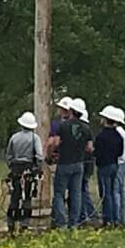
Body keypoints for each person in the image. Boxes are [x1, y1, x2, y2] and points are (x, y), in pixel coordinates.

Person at [5, 111, 44, 234]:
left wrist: (12, 168)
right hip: (29, 171)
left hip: (16, 170)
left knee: (15, 197)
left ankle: (11, 223)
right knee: (27, 197)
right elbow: (39, 155)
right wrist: (37, 168)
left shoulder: (14, 137)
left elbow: (9, 156)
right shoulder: (34, 138)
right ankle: (24, 225)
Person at [51, 98, 88, 228]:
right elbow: (89, 147)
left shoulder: (63, 126)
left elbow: (55, 143)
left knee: (59, 194)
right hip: (79, 163)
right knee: (76, 193)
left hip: (64, 163)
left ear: (71, 110)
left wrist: (52, 153)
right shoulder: (86, 127)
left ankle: (61, 223)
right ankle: (74, 223)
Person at [94, 106, 125, 226]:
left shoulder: (101, 136)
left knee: (105, 194)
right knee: (113, 192)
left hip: (103, 166)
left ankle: (107, 219)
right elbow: (120, 152)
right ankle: (115, 218)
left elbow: (97, 152)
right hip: (114, 165)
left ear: (106, 119)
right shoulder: (118, 136)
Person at [71, 97, 97, 225]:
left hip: (84, 163)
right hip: (87, 164)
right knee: (82, 189)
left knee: (81, 190)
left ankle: (89, 213)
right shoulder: (87, 130)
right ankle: (85, 213)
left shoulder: (82, 129)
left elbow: (89, 149)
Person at [115, 112, 125, 224]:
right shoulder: (123, 132)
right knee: (122, 191)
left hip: (119, 162)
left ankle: (117, 218)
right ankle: (122, 217)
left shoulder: (117, 132)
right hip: (124, 162)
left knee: (116, 191)